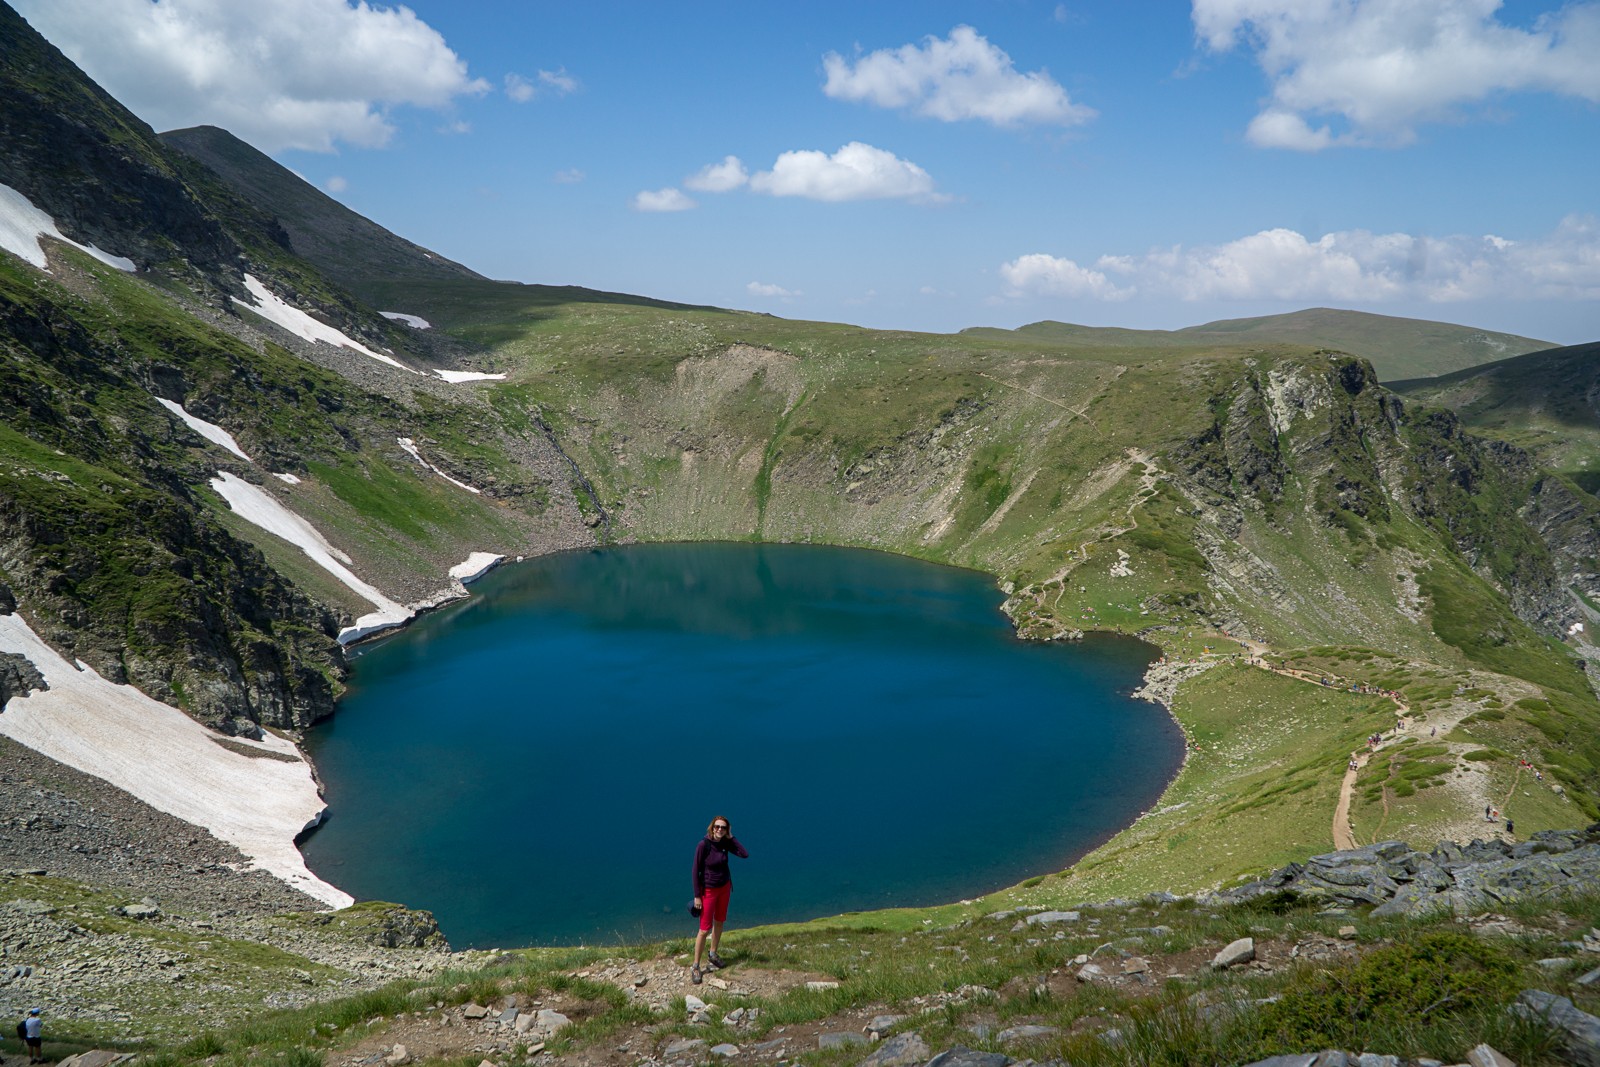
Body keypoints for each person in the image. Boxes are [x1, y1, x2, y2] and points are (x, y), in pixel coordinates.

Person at [689, 815, 747, 985]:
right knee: (704, 929)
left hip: (724, 888)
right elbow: (695, 871)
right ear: (712, 827)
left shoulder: (725, 843)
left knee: (720, 921)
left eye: (723, 827)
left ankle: (713, 953)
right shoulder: (703, 844)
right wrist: (697, 895)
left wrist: (731, 837)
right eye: (717, 827)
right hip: (708, 891)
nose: (720, 830)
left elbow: (744, 854)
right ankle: (695, 966)